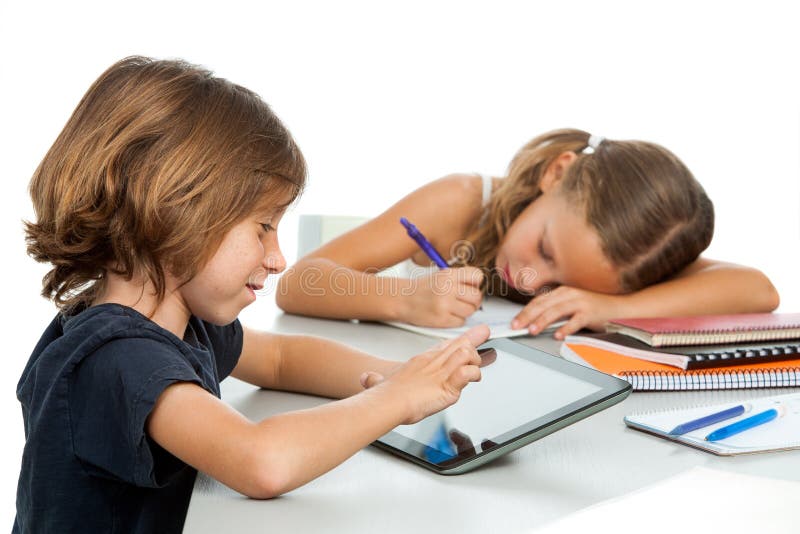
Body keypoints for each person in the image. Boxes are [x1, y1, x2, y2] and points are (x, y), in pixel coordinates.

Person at [14, 56, 489, 534]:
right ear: (176, 213)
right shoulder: (117, 359)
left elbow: (281, 358)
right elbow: (261, 461)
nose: (278, 257)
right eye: (263, 228)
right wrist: (399, 400)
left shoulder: (179, 319)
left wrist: (399, 375)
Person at [277, 129, 780, 338]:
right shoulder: (461, 203)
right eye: (543, 248)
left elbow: (758, 289)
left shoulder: (636, 251)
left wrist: (611, 306)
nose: (529, 277)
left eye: (561, 281)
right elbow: (298, 283)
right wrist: (405, 298)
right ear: (555, 174)